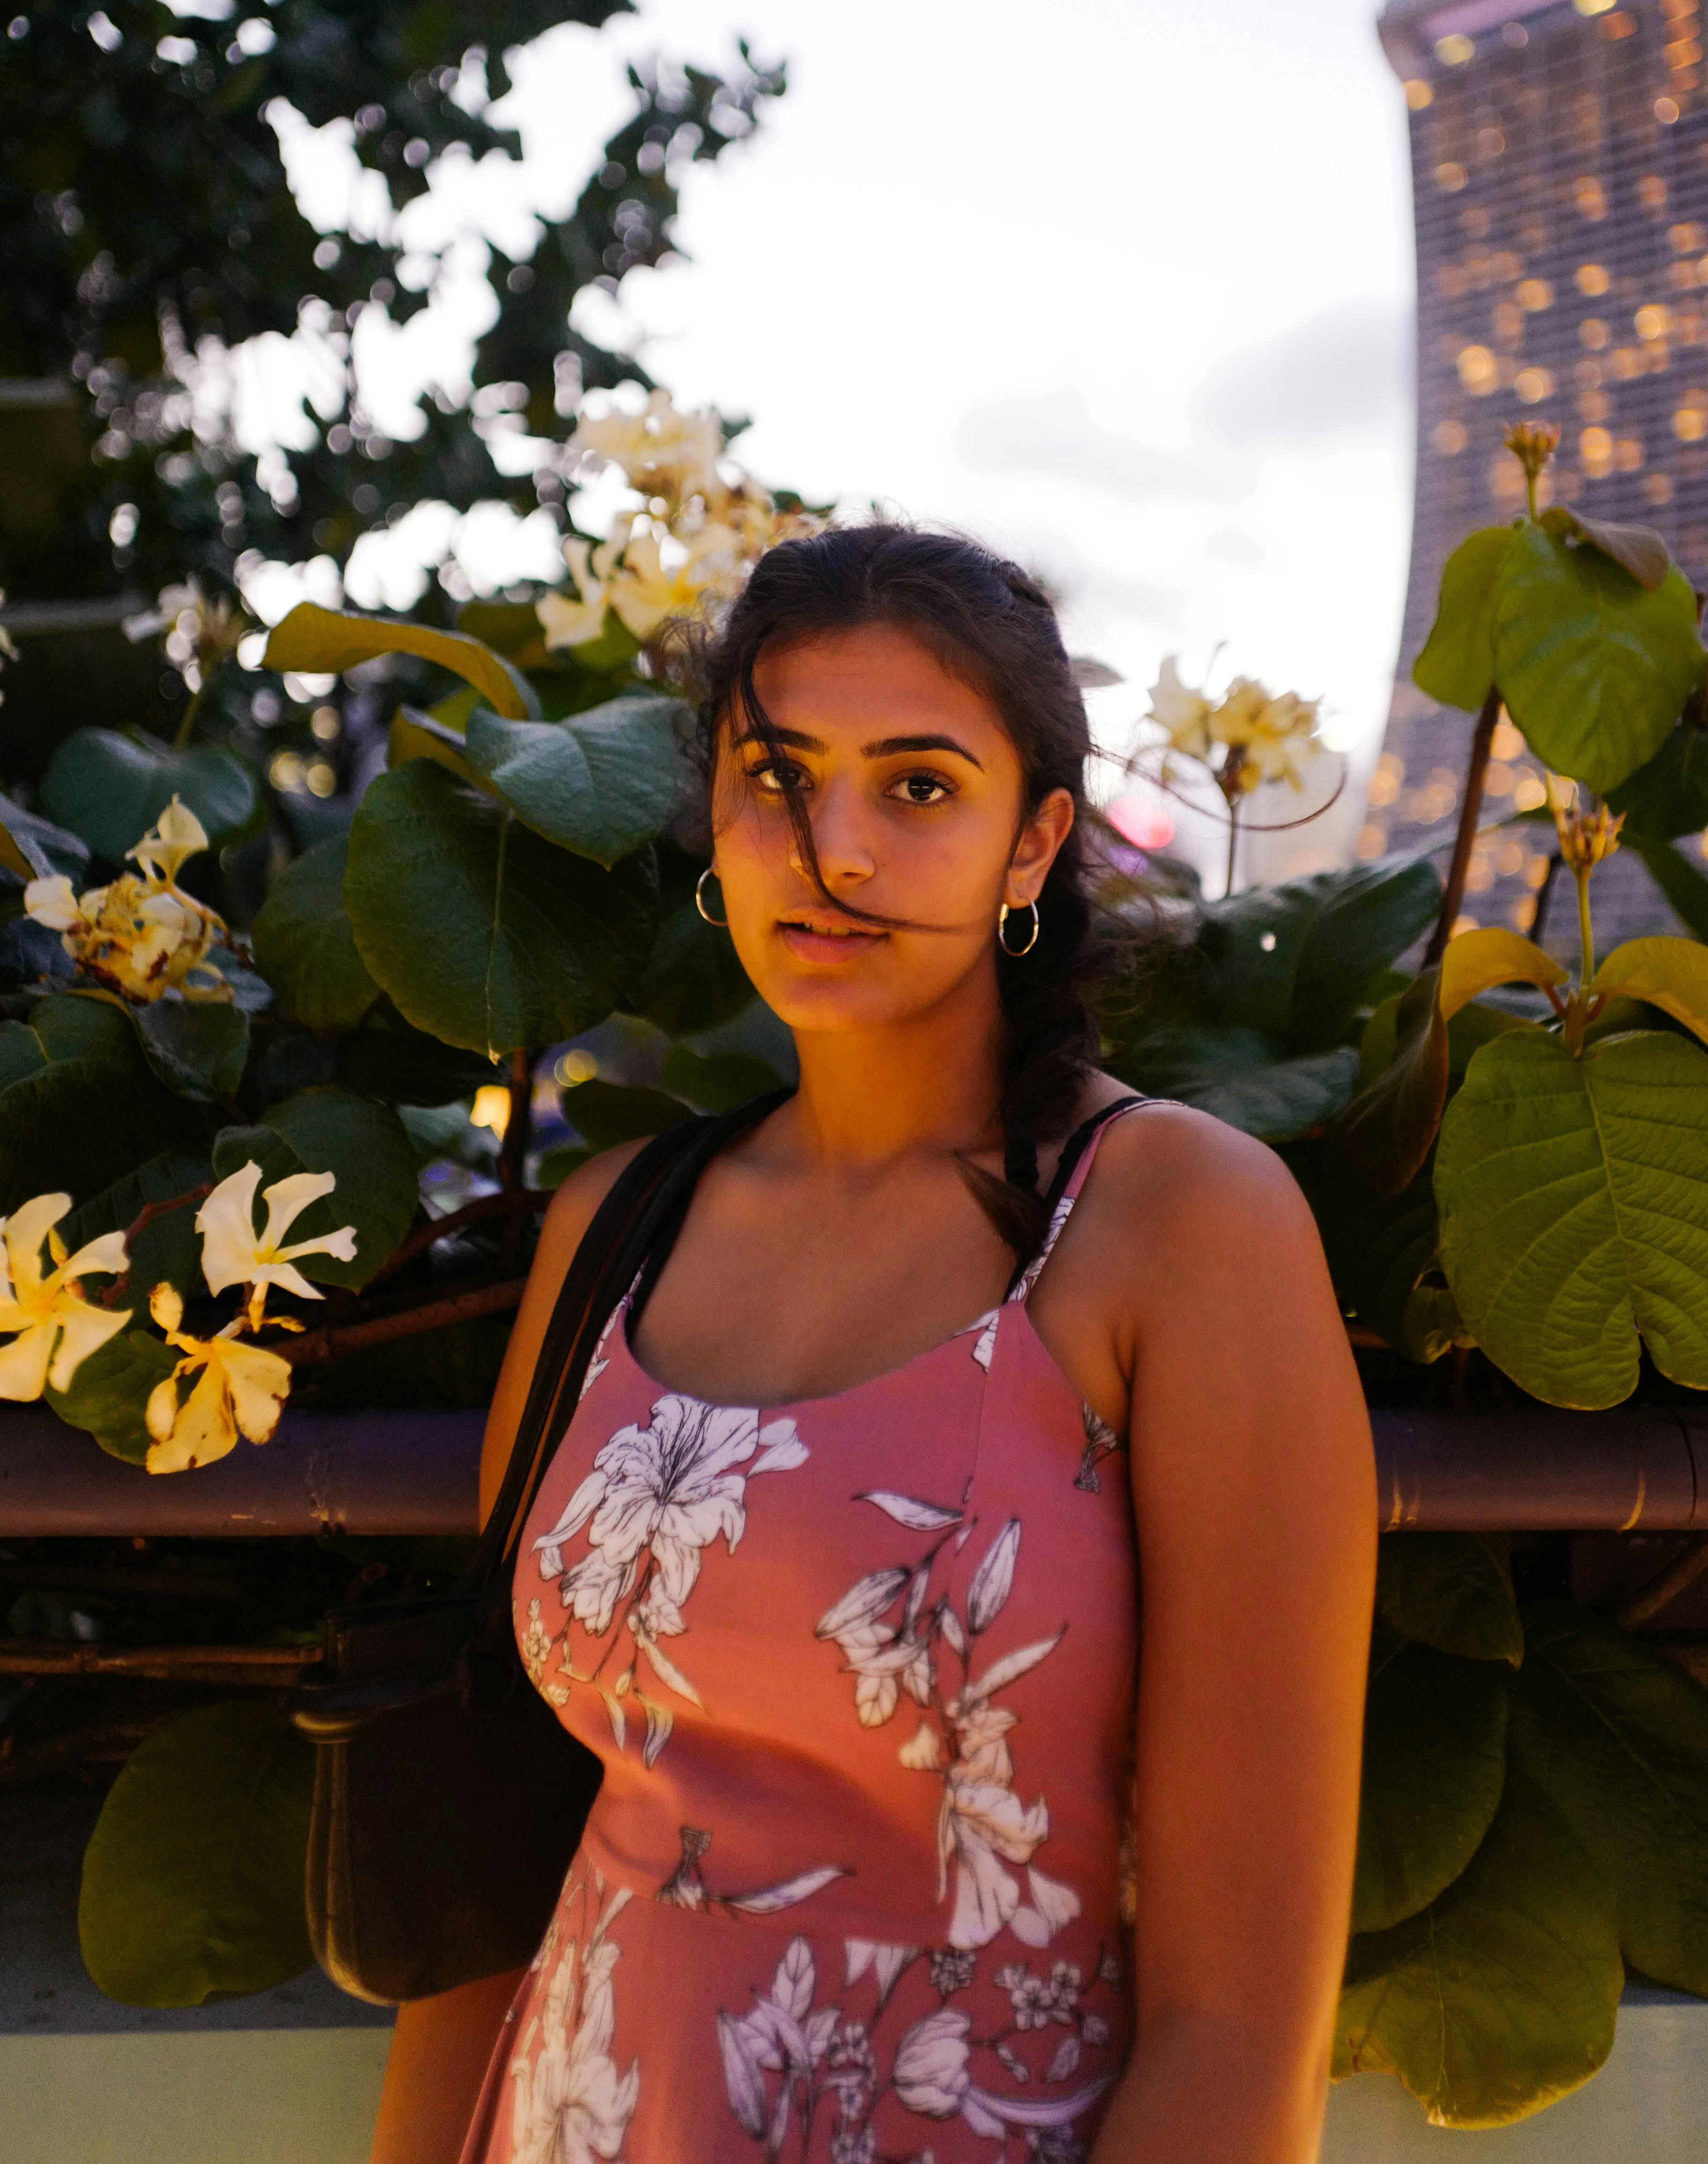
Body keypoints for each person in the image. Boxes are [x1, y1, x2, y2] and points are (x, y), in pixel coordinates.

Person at [370, 521, 1375, 2164]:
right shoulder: (613, 1230)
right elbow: (498, 1869)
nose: (833, 848)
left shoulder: (1179, 1228)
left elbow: (1243, 2026)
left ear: (1033, 842)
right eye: (778, 781)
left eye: (917, 788)